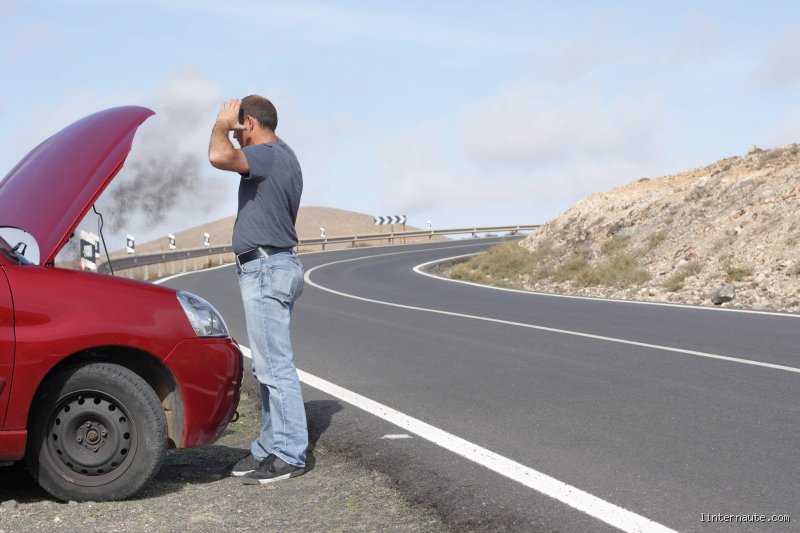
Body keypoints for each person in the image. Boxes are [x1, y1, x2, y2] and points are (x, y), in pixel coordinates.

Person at [208, 96, 307, 484]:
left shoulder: (267, 153)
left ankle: (289, 453)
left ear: (248, 122)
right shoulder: (282, 156)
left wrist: (221, 126)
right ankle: (270, 446)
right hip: (271, 266)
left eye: (238, 125)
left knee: (274, 365)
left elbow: (218, 156)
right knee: (266, 365)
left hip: (266, 268)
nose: (234, 132)